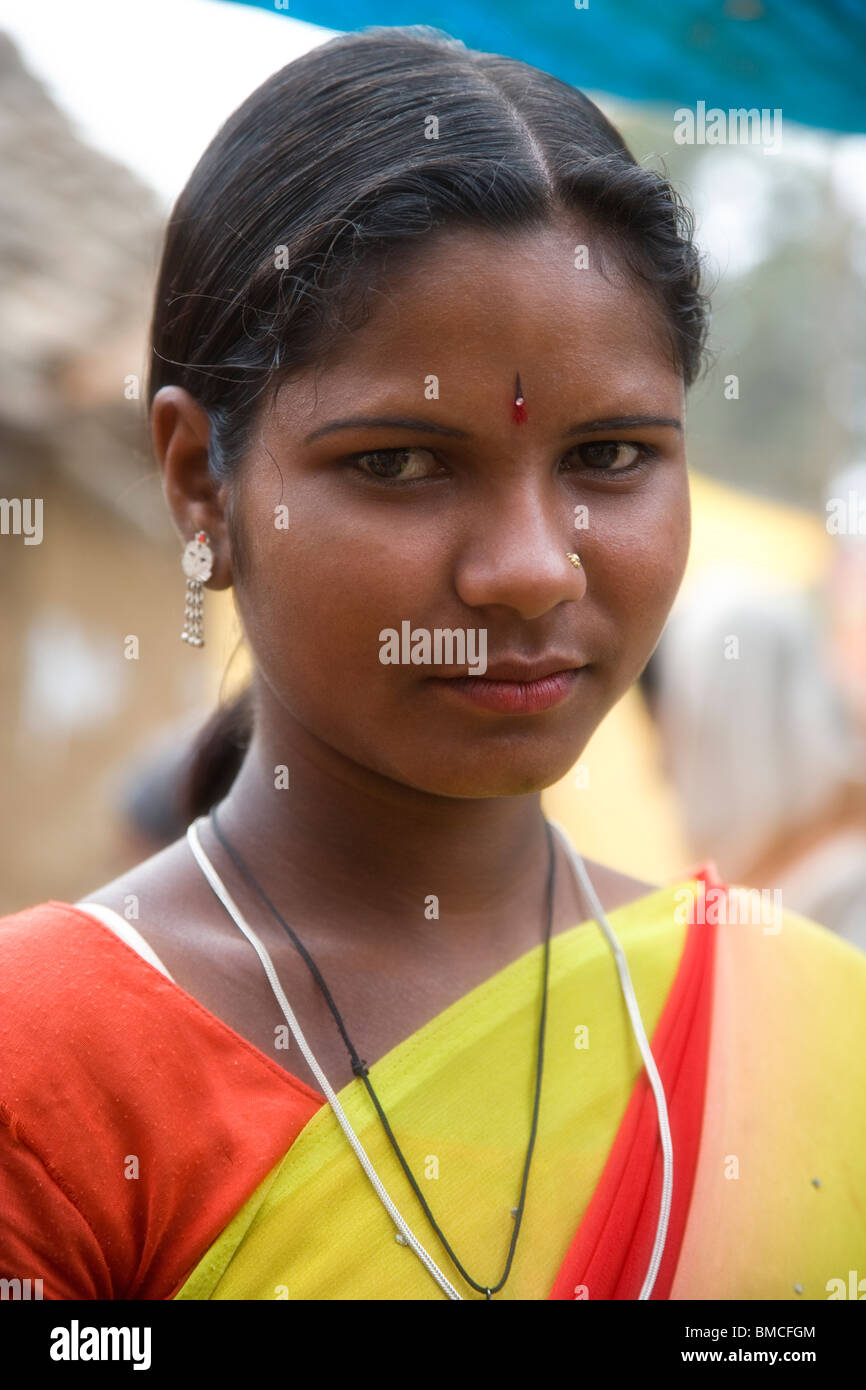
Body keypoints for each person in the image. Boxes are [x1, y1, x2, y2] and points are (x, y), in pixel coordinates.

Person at [1, 25, 864, 1303]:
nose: (529, 568)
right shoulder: (47, 1063)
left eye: (609, 456)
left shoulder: (805, 1026)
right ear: (201, 486)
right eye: (399, 461)